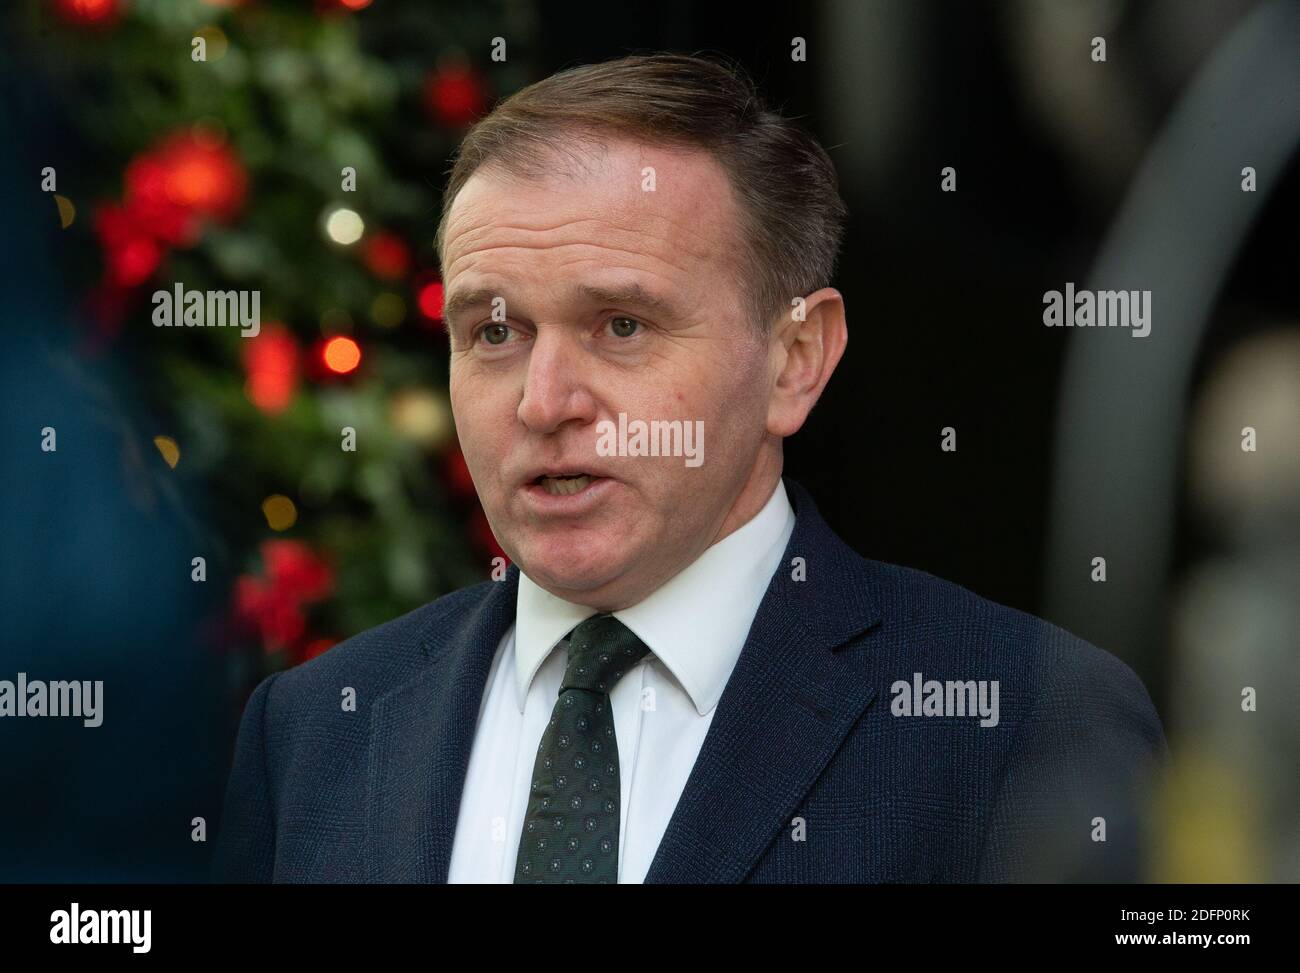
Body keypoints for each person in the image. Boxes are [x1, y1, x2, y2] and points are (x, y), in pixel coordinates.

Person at [213, 52, 1166, 884]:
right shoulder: (313, 734)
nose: (545, 402)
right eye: (495, 331)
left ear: (796, 359)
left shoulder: (1022, 720)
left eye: (621, 326)